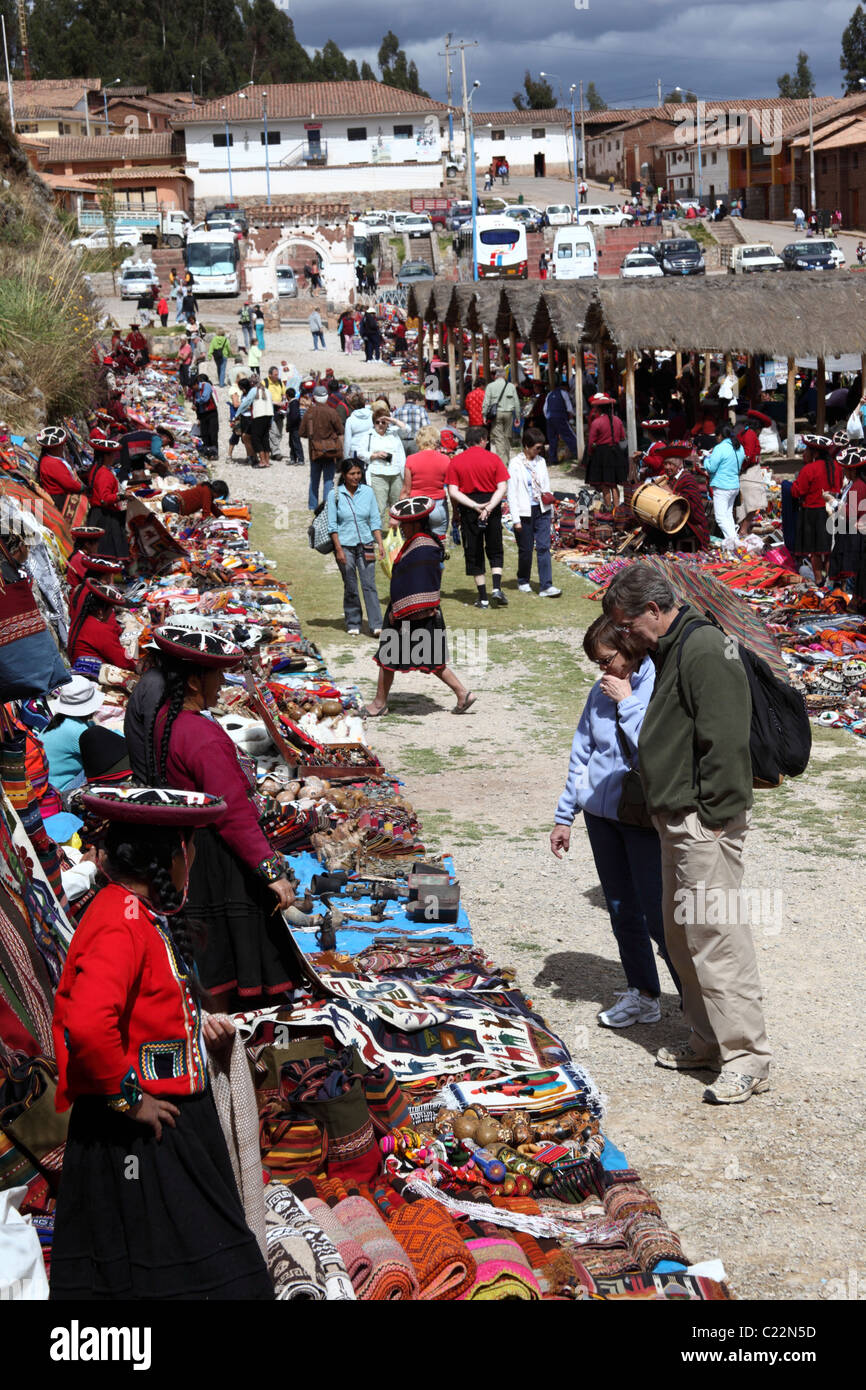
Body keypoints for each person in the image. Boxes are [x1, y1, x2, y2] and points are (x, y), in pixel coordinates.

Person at [49, 784, 273, 1301]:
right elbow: (88, 1024)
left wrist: (201, 1035)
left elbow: (146, 1012)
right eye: (187, 847)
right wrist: (130, 1101)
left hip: (164, 1117)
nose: (190, 858)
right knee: (183, 1267)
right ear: (167, 857)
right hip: (140, 1128)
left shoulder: (134, 914)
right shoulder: (120, 924)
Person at [602, 563, 772, 1104]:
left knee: (717, 939)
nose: (624, 635)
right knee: (683, 937)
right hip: (677, 818)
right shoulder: (674, 646)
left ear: (654, 610)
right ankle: (706, 1037)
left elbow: (725, 740)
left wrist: (712, 817)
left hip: (703, 822)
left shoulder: (702, 648)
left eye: (627, 624)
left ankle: (746, 1056)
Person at [147, 625, 297, 1004]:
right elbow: (232, 814)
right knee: (236, 950)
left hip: (190, 849)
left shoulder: (167, 719)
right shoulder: (203, 737)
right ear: (195, 682)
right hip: (216, 860)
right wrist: (271, 872)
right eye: (215, 675)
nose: (220, 684)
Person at [551, 615, 679, 1027]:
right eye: (598, 663)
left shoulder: (659, 685)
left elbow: (656, 753)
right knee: (623, 909)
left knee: (661, 916)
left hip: (643, 817)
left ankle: (696, 1002)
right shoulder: (599, 690)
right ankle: (643, 993)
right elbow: (582, 754)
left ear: (631, 649)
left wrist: (628, 702)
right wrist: (565, 816)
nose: (603, 669)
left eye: (607, 659)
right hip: (602, 818)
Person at [364, 498, 476, 717]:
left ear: (415, 524)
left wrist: (400, 611)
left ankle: (379, 703)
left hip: (410, 613)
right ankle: (463, 694)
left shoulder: (420, 547)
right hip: (423, 612)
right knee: (431, 658)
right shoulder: (426, 543)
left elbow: (416, 581)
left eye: (405, 524)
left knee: (388, 657)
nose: (402, 528)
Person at [446, 425, 509, 608]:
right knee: (495, 548)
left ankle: (482, 597)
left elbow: (453, 491)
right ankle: (496, 588)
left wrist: (474, 506)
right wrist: (489, 508)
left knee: (474, 551)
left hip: (469, 508)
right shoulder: (494, 459)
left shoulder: (456, 461)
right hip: (492, 505)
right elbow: (502, 487)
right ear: (482, 440)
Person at [327, 458, 384, 636]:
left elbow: (375, 519)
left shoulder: (368, 492)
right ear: (344, 475)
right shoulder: (334, 495)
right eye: (352, 474)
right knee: (350, 584)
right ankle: (353, 622)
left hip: (366, 544)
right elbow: (332, 525)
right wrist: (338, 550)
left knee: (369, 584)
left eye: (359, 473)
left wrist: (380, 544)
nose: (356, 477)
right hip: (344, 545)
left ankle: (376, 624)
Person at [506, 428, 561, 597]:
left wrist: (550, 509)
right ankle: (523, 579)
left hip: (541, 509)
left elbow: (546, 486)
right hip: (524, 511)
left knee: (544, 547)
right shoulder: (515, 465)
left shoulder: (541, 462)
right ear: (526, 446)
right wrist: (516, 519)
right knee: (526, 549)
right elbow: (512, 493)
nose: (539, 451)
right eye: (536, 448)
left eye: (540, 448)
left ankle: (546, 585)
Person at [791, 436, 843, 584]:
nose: (803, 454)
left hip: (813, 514)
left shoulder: (809, 469)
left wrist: (792, 484)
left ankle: (819, 581)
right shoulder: (836, 467)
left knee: (814, 552)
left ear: (814, 453)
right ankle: (832, 583)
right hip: (832, 512)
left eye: (806, 450)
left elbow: (797, 492)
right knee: (828, 551)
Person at [40, 675, 104, 791]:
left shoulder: (59, 721)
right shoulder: (78, 731)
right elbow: (103, 753)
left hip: (45, 785)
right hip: (59, 790)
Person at [354, 404, 407, 528]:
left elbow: (407, 429)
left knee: (397, 505)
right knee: (379, 506)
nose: (381, 425)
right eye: (377, 422)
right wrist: (375, 455)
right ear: (373, 423)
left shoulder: (393, 433)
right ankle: (379, 534)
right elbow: (360, 452)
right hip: (377, 474)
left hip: (395, 473)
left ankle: (398, 532)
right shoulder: (369, 435)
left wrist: (393, 420)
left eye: (384, 422)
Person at [67, 579, 135, 671]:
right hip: (92, 673)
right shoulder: (100, 629)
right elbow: (122, 661)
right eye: (110, 610)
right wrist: (135, 667)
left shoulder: (81, 620)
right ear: (100, 612)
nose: (111, 613)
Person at [827, 445, 866, 606]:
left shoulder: (858, 486)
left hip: (855, 533)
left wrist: (835, 505)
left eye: (846, 470)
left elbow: (851, 513)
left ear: (853, 471)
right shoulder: (856, 484)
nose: (844, 472)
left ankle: (851, 599)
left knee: (853, 568)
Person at [400, 424, 451, 540]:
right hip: (438, 505)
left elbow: (406, 490)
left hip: (417, 507)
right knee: (438, 545)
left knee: (416, 545)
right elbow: (451, 488)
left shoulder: (411, 459)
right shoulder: (445, 459)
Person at [300, 384, 343, 510]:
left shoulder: (309, 412)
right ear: (327, 397)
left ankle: (312, 506)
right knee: (328, 480)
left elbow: (302, 432)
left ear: (314, 397)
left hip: (314, 450)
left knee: (314, 480)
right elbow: (340, 430)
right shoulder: (332, 412)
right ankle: (326, 506)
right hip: (330, 451)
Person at [85, 436, 128, 558]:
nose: (114, 458)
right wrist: (123, 496)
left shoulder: (94, 469)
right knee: (107, 550)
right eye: (112, 455)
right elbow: (105, 498)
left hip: (96, 514)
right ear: (105, 456)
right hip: (105, 517)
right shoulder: (105, 474)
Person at [704, 423, 744, 548]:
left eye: (716, 436)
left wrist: (706, 458)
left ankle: (735, 541)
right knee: (727, 515)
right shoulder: (739, 446)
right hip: (734, 486)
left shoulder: (720, 448)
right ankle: (732, 541)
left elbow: (711, 467)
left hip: (722, 486)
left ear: (720, 436)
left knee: (721, 517)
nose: (716, 438)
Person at [586, 392, 627, 512]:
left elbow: (591, 442)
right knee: (613, 484)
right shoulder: (618, 420)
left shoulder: (597, 422)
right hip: (616, 453)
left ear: (598, 409)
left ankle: (609, 509)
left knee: (605, 484)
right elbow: (622, 437)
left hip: (602, 455)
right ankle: (617, 509)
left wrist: (590, 453)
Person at [35, 426, 85, 510]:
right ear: (55, 448)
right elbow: (68, 484)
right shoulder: (52, 463)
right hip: (59, 497)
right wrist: (82, 487)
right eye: (61, 446)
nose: (63, 448)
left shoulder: (48, 459)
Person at [482, 369, 520, 468]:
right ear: (504, 376)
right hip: (509, 414)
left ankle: (502, 464)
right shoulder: (511, 386)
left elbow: (486, 402)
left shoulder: (490, 386)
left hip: (497, 414)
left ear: (495, 376)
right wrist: (518, 416)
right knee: (507, 437)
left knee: (499, 439)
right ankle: (506, 460)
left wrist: (484, 415)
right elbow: (516, 402)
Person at [543, 382, 578, 464]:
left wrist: (548, 417)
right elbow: (569, 407)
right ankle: (577, 454)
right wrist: (572, 415)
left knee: (552, 439)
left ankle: (553, 459)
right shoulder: (564, 393)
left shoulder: (549, 394)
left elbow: (544, 409)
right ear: (564, 387)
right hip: (560, 417)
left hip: (549, 418)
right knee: (569, 436)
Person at [161, 479, 230, 517]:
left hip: (168, 499)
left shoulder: (205, 488)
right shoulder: (207, 493)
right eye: (220, 495)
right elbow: (206, 512)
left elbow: (213, 508)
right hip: (173, 504)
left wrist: (223, 518)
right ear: (217, 493)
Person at [193, 374, 219, 460]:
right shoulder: (195, 391)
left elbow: (205, 398)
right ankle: (207, 452)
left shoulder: (206, 386)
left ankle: (214, 453)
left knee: (213, 433)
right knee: (204, 434)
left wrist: (196, 402)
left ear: (196, 384)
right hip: (202, 414)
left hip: (211, 412)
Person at [249, 378, 274, 469]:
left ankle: (262, 461)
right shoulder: (267, 391)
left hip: (259, 416)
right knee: (265, 438)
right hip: (269, 415)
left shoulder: (253, 390)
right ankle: (267, 461)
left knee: (256, 438)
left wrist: (237, 413)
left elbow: (247, 402)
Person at [265, 365, 286, 460]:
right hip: (270, 409)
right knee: (273, 431)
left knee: (279, 431)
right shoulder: (264, 383)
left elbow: (284, 394)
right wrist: (275, 402)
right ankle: (276, 452)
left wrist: (284, 401)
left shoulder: (280, 382)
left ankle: (273, 450)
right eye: (275, 374)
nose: (277, 376)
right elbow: (263, 396)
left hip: (280, 410)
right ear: (270, 375)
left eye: (278, 374)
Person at [344, 392, 373, 459]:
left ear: (352, 406)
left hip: (355, 452)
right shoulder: (372, 416)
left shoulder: (350, 420)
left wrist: (346, 457)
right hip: (370, 450)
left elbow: (347, 440)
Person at [285, 388, 303, 465]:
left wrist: (290, 424)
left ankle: (300, 459)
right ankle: (293, 458)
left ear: (287, 395)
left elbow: (294, 416)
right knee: (291, 443)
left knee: (296, 443)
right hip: (292, 427)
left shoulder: (294, 403)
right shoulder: (292, 403)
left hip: (295, 427)